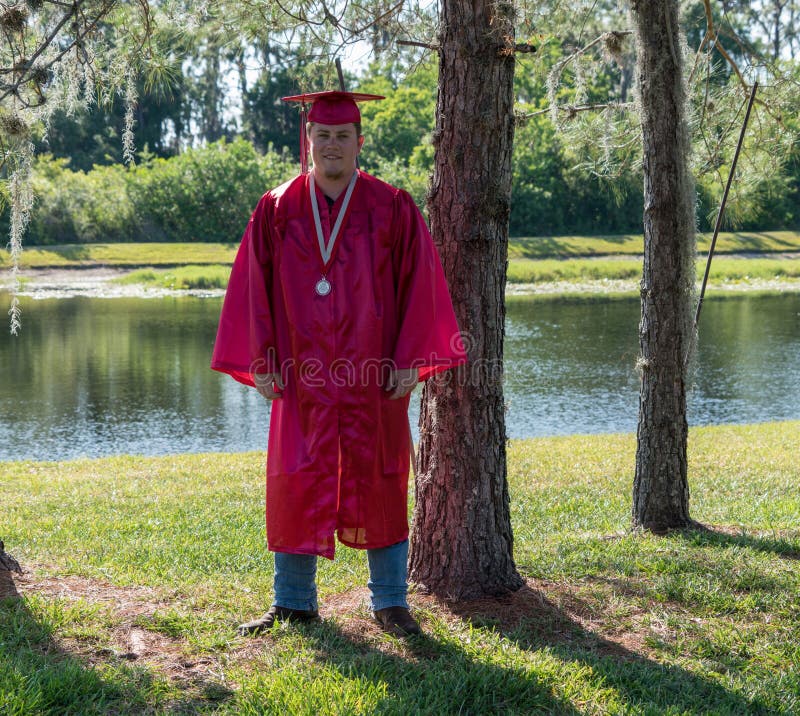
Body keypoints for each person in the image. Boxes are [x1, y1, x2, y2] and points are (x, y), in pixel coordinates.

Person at [211, 90, 466, 637]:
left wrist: (409, 359)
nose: (332, 144)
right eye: (322, 135)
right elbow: (253, 288)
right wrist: (262, 360)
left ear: (359, 142)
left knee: (381, 477)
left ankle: (391, 603)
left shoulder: (391, 206)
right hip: (300, 374)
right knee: (297, 477)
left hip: (372, 372)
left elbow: (420, 284)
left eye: (342, 136)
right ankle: (293, 602)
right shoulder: (277, 207)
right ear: (308, 141)